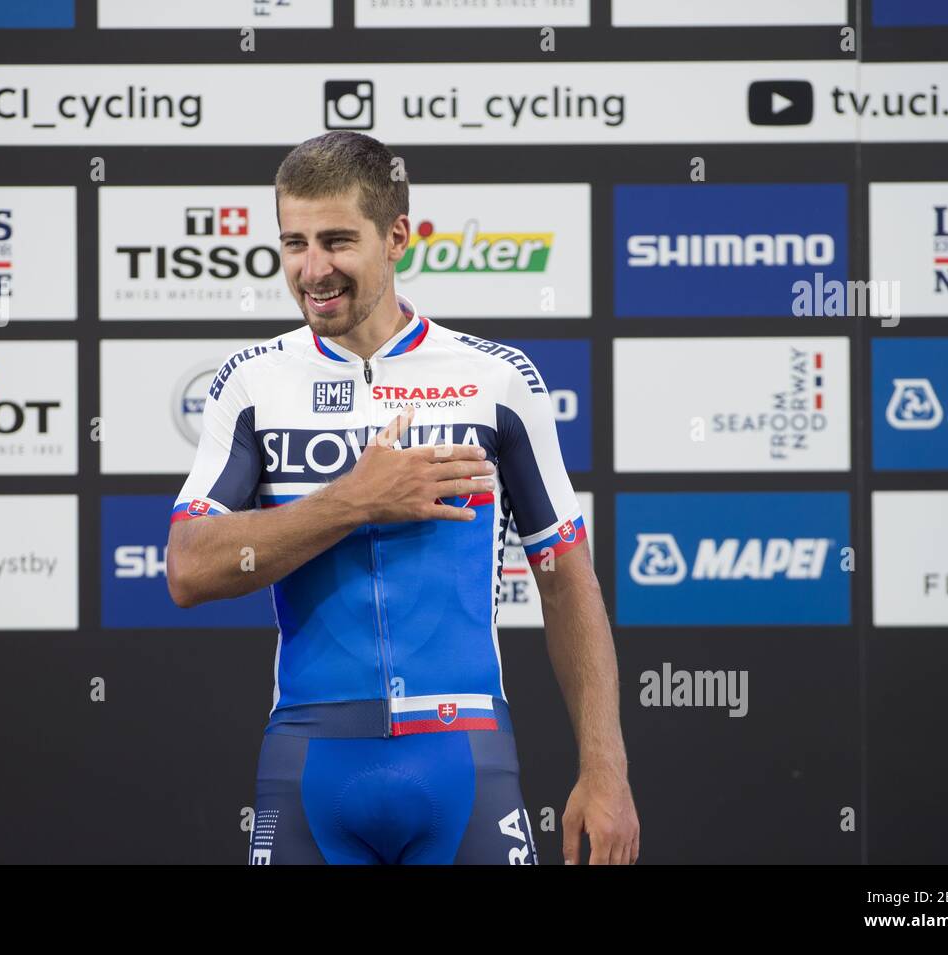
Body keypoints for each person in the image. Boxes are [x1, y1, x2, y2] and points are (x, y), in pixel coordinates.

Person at [166, 131, 638, 865]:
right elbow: (188, 569)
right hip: (310, 765)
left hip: (464, 763)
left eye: (336, 241)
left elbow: (567, 581)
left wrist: (606, 770)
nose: (312, 270)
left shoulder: (496, 379)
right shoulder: (254, 383)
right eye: (294, 243)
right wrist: (354, 499)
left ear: (397, 238)